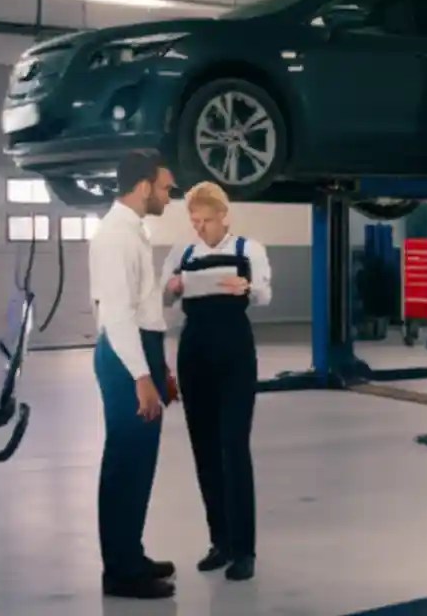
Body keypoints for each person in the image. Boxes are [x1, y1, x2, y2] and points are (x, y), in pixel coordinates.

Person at [163, 181, 271, 582]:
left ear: (224, 216)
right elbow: (165, 296)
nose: (200, 228)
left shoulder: (248, 249)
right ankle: (220, 542)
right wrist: (171, 288)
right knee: (204, 448)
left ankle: (244, 550)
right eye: (194, 220)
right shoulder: (183, 252)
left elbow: (265, 294)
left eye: (207, 220)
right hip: (194, 351)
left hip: (235, 352)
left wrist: (249, 287)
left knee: (233, 447)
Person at [88, 150, 180, 600]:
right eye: (165, 187)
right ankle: (120, 572)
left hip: (140, 350)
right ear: (143, 186)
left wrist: (159, 367)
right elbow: (118, 315)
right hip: (125, 354)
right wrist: (142, 377)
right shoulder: (115, 237)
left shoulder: (133, 231)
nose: (168, 194)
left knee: (139, 462)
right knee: (125, 462)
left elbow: (143, 306)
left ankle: (131, 554)